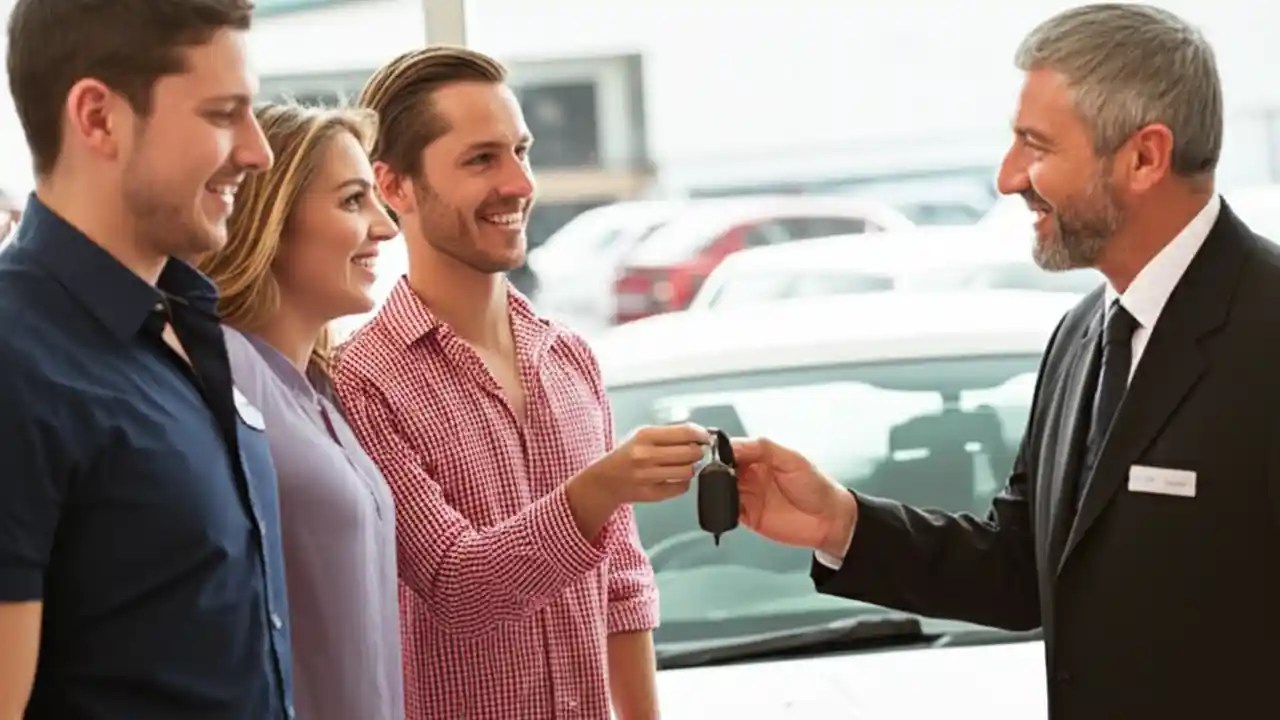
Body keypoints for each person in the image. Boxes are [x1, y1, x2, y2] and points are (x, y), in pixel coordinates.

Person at [730, 4, 1279, 719]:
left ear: (1145, 156)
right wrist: (841, 522)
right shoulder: (1081, 336)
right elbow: (1024, 572)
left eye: (1035, 145)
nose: (1007, 176)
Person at [334, 46, 708, 720]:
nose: (519, 184)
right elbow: (456, 585)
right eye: (482, 159)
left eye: (522, 151)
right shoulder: (362, 383)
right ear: (394, 188)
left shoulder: (570, 359)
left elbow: (621, 583)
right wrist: (599, 489)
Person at [0, 1, 299, 719]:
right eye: (223, 113)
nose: (258, 150)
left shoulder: (185, 323)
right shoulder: (14, 362)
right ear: (99, 118)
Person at [195, 103, 403, 720]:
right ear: (270, 218)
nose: (386, 227)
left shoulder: (316, 393)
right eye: (351, 201)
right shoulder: (223, 374)